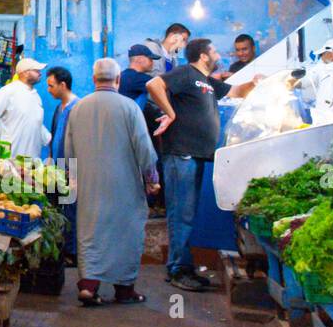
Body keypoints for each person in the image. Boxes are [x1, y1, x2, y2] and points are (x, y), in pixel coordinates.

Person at [146, 38, 259, 291]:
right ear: (204, 56)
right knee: (181, 214)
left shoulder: (208, 82)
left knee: (187, 214)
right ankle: (177, 269)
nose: (218, 53)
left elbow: (236, 91)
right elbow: (154, 84)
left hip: (196, 155)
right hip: (181, 155)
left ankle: (183, 266)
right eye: (214, 50)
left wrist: (256, 83)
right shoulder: (187, 73)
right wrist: (171, 113)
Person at [63, 58, 159, 307]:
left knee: (90, 233)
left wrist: (71, 183)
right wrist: (152, 180)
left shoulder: (78, 108)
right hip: (124, 186)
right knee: (125, 234)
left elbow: (68, 150)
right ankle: (124, 290)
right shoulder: (129, 107)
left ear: (94, 79)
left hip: (88, 186)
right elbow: (144, 147)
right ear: (118, 80)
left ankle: (88, 286)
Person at [0, 57, 50, 158]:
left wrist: (49, 140)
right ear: (25, 72)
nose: (40, 73)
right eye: (36, 70)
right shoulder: (9, 91)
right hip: (11, 155)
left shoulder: (36, 96)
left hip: (32, 156)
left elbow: (35, 122)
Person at [45, 66, 79, 162]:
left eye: (51, 86)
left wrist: (73, 173)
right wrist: (50, 159)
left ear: (63, 85)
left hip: (72, 167)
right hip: (58, 165)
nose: (48, 90)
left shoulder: (78, 108)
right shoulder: (58, 108)